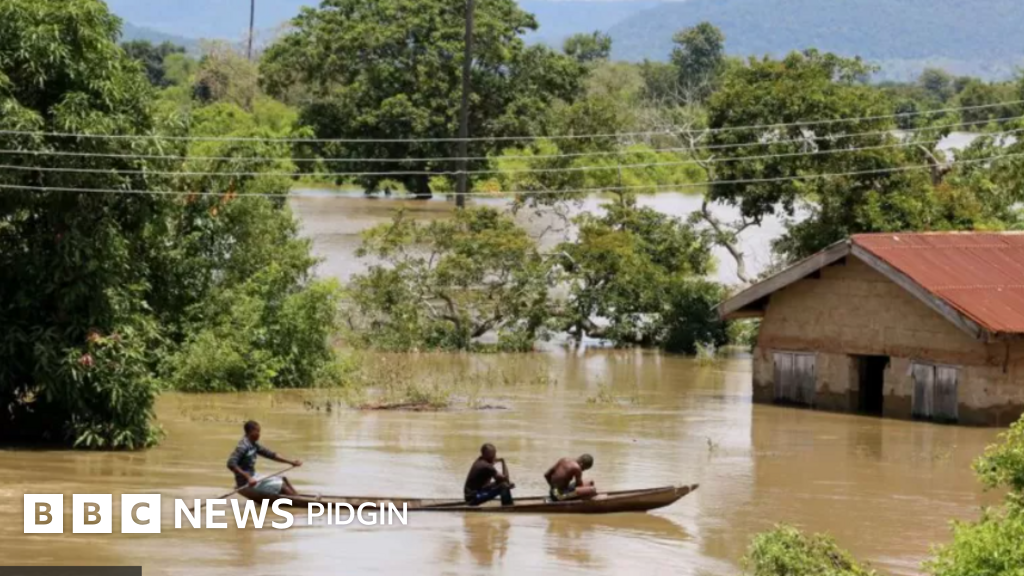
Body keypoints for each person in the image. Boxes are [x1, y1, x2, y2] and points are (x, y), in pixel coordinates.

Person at [227, 420, 303, 497]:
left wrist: (291, 462)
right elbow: (231, 463)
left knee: (283, 479)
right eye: (258, 431)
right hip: (246, 482)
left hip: (253, 476)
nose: (259, 434)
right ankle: (300, 502)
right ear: (251, 431)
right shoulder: (243, 446)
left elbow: (271, 455)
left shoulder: (253, 445)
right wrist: (248, 477)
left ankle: (297, 497)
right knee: (281, 485)